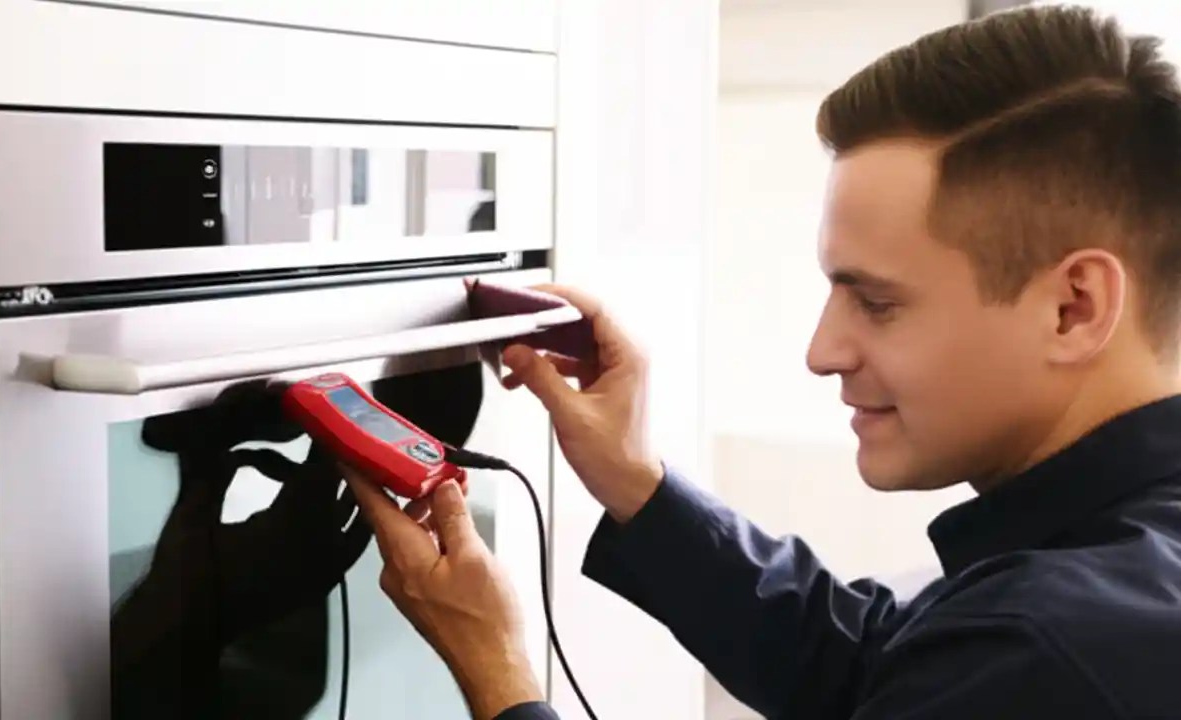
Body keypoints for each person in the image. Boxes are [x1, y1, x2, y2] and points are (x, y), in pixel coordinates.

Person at [344, 6, 1181, 719]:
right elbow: (873, 667)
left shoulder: (1048, 653)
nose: (823, 352)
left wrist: (496, 667)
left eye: (878, 302)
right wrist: (638, 482)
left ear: (1074, 307)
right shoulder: (1095, 591)